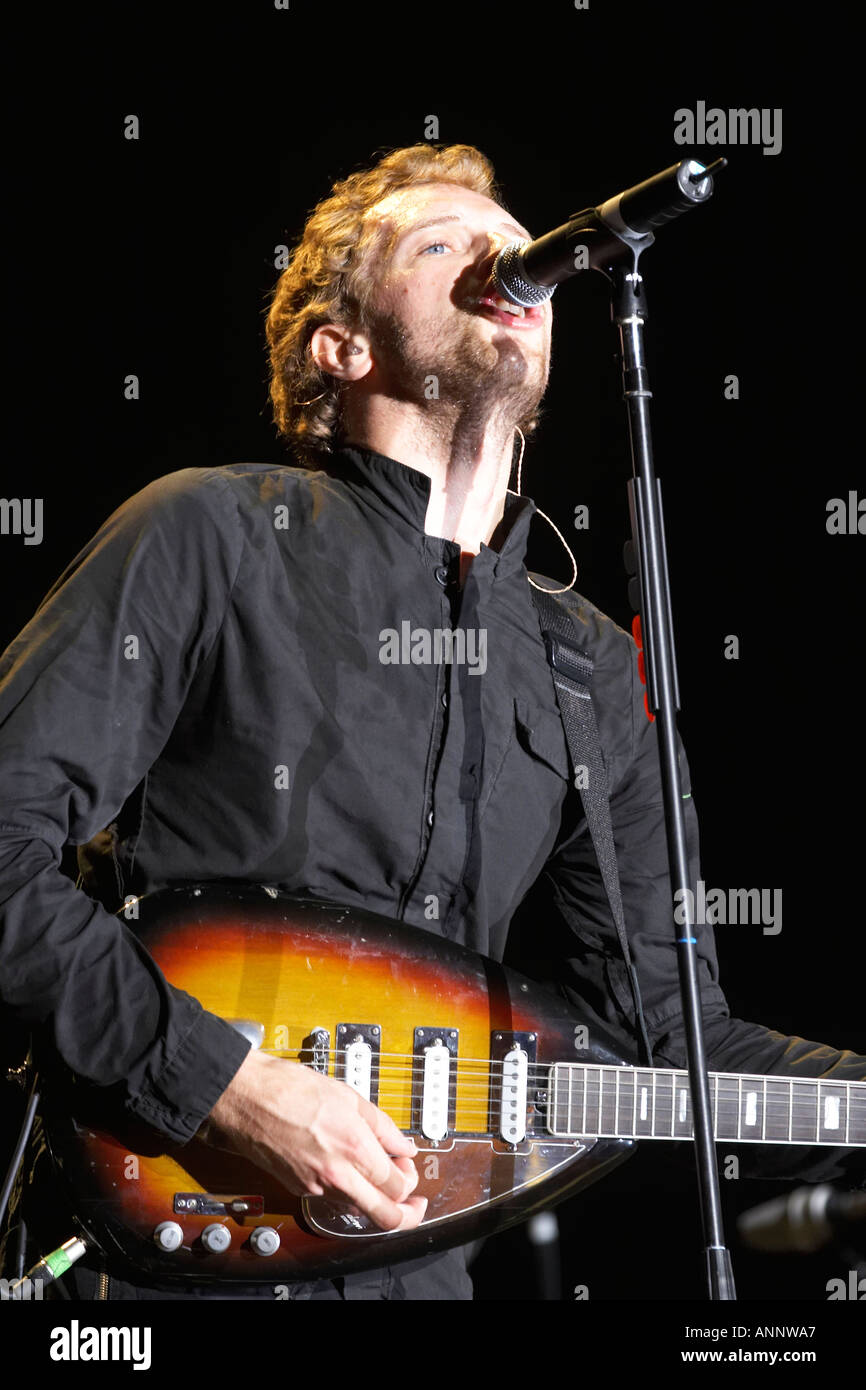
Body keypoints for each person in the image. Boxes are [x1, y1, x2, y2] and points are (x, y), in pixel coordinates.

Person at [0, 143, 863, 1302]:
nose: (507, 260)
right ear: (340, 346)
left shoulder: (588, 669)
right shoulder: (208, 535)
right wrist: (223, 1084)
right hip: (148, 1256)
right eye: (443, 243)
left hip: (416, 1274)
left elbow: (676, 1044)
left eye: (511, 241)